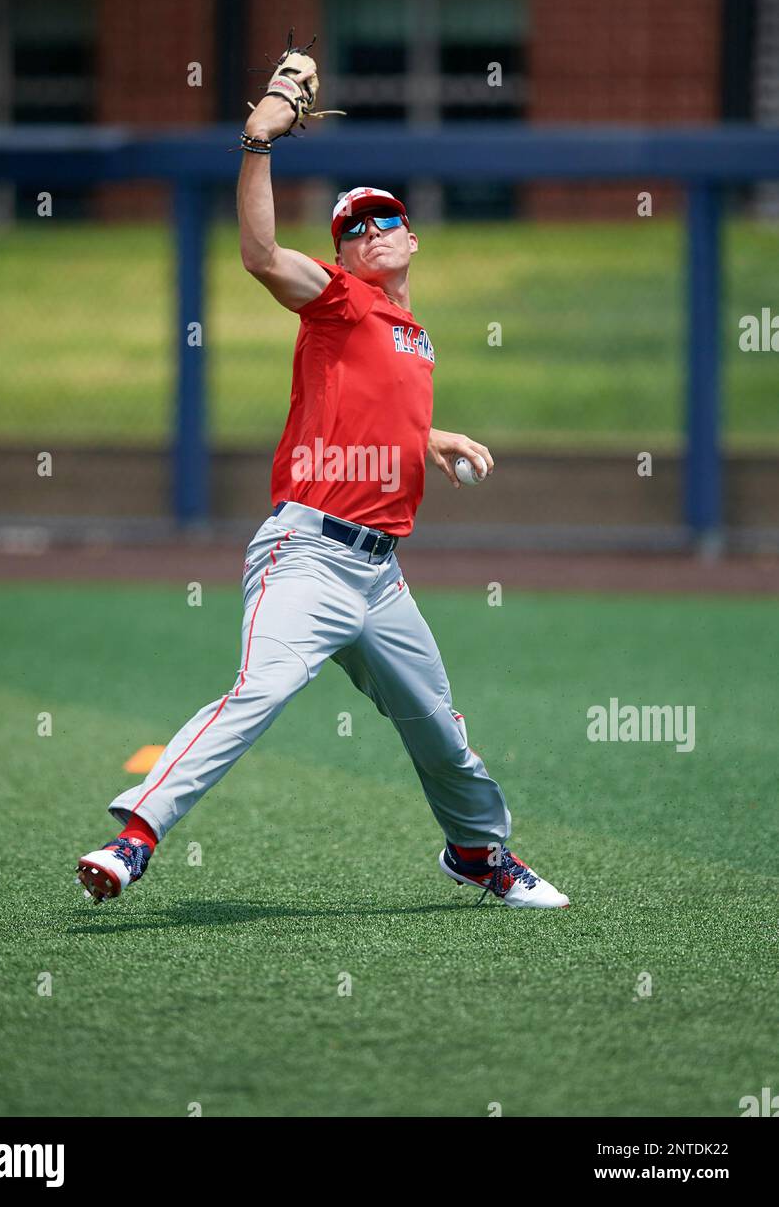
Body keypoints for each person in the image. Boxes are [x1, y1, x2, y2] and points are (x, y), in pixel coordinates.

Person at [76, 52, 569, 911]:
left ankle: (479, 854)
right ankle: (134, 839)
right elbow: (263, 254)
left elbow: (380, 414)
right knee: (260, 688)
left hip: (380, 576)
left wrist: (434, 435)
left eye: (384, 221)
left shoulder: (410, 331)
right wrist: (258, 144)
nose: (369, 232)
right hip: (305, 556)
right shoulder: (340, 299)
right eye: (353, 228)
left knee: (441, 732)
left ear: (411, 237)